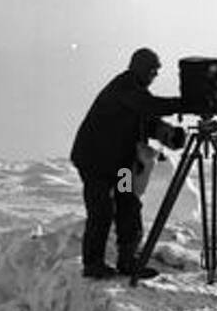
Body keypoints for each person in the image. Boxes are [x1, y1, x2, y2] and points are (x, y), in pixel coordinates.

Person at [70, 48, 186, 279]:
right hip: (96, 163)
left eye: (156, 72)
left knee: (128, 205)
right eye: (152, 70)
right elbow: (148, 106)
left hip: (121, 166)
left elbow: (148, 121)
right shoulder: (124, 87)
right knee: (102, 211)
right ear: (138, 67)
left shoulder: (137, 94)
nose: (154, 75)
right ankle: (93, 264)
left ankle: (128, 261)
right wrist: (184, 103)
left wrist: (168, 134)